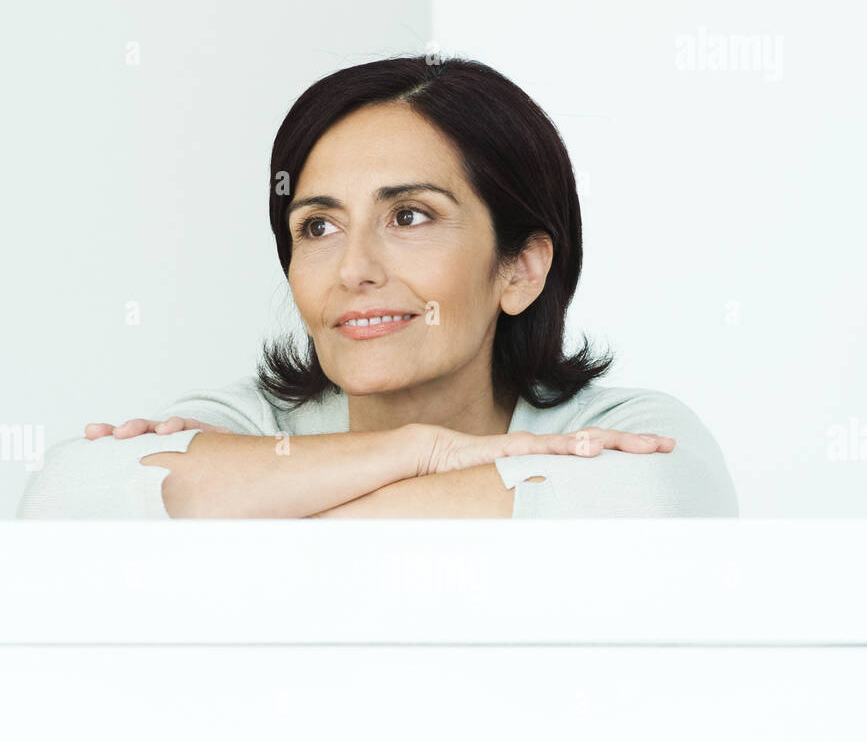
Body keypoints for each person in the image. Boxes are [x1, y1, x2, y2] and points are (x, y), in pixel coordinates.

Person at [16, 55, 738, 521]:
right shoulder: (246, 420)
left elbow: (648, 502)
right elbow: (68, 499)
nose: (353, 268)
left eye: (409, 216)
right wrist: (420, 452)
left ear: (520, 268)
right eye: (318, 228)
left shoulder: (622, 431)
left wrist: (241, 507)